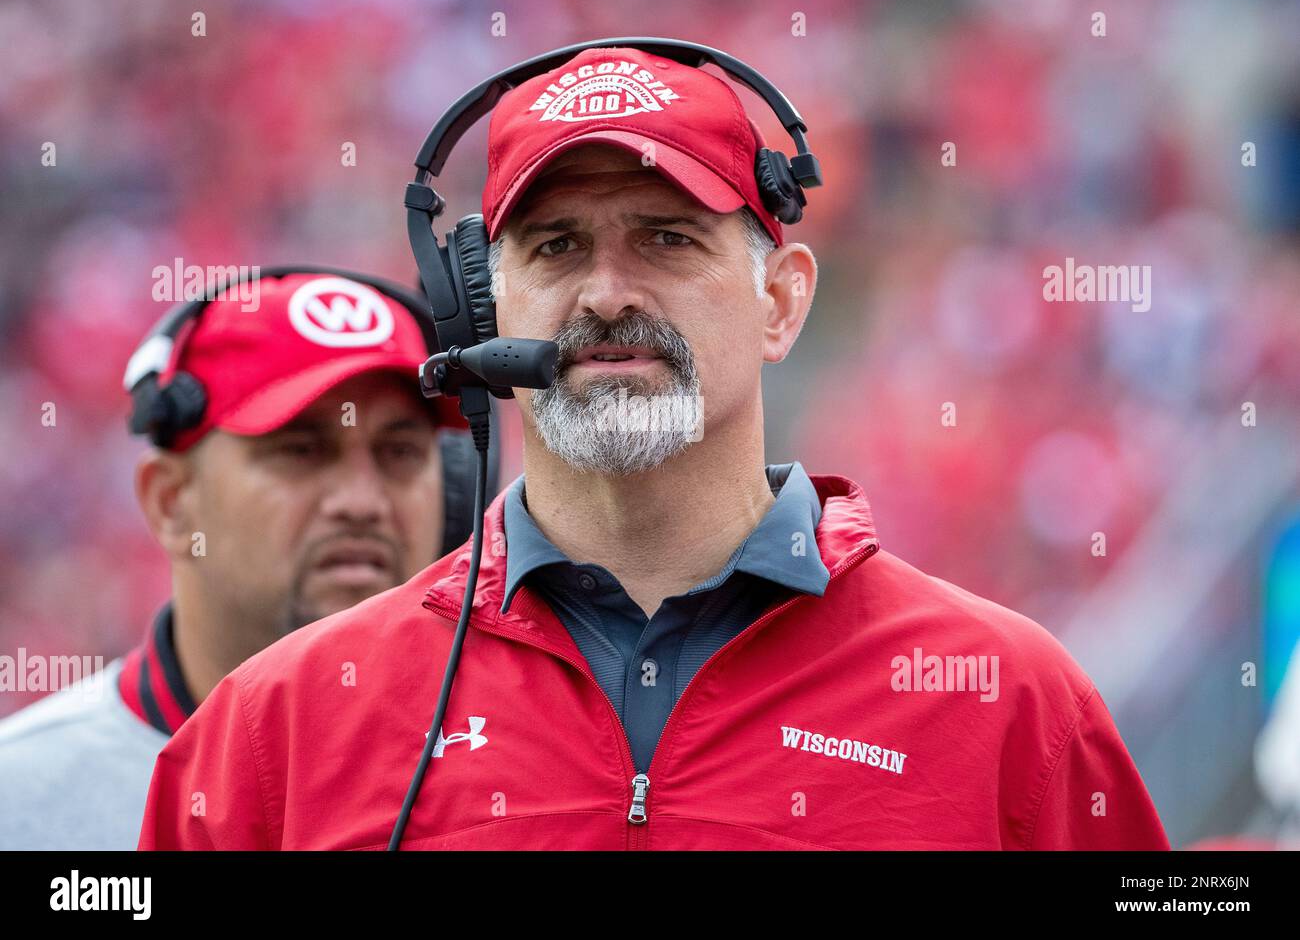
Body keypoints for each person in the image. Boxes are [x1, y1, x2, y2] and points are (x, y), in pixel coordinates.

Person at [139, 47, 1169, 850]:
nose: (606, 291)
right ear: (483, 309)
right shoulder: (273, 732)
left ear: (782, 298)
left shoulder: (1007, 702)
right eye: (557, 245)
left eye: (668, 237)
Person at [0, 268, 489, 849]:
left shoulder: (522, 767)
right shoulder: (20, 801)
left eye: (400, 451)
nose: (362, 502)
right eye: (301, 450)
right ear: (172, 502)